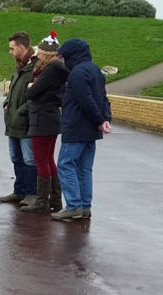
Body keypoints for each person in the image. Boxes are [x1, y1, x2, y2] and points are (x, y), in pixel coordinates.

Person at [52, 38, 112, 222]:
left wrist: (99, 119)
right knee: (84, 169)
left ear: (72, 56)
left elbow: (85, 100)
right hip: (91, 130)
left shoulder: (77, 73)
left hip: (76, 127)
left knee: (65, 164)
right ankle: (85, 207)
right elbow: (103, 98)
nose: (63, 61)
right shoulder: (95, 70)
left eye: (64, 57)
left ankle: (73, 206)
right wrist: (104, 119)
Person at [20, 31, 69, 214]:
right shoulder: (58, 70)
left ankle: (42, 200)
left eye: (39, 52)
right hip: (51, 118)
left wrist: (31, 86)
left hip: (42, 119)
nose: (36, 55)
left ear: (45, 55)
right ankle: (55, 199)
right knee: (48, 159)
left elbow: (32, 93)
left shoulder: (49, 71)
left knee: (41, 160)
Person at [0, 32, 38, 205]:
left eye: (12, 48)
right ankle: (19, 191)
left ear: (22, 47)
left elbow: (35, 96)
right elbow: (15, 89)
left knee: (29, 159)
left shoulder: (35, 68)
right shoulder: (19, 67)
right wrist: (8, 102)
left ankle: (31, 194)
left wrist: (21, 111)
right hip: (13, 122)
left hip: (26, 123)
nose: (10, 52)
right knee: (16, 157)